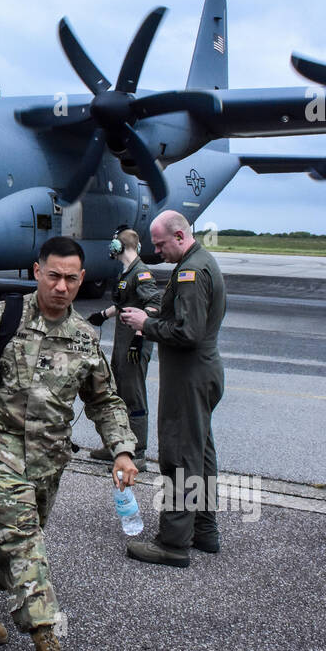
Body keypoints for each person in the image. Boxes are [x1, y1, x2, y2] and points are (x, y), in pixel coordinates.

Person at [0, 236, 137, 651]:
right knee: (26, 542)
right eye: (53, 276)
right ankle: (50, 650)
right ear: (36, 272)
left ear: (82, 279)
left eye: (70, 278)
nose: (61, 287)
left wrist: (121, 450)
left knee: (10, 539)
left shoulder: (84, 339)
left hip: (49, 461)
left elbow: (104, 401)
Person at [120, 210, 226, 568]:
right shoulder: (200, 262)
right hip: (199, 373)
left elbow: (188, 333)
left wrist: (145, 323)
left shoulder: (191, 272)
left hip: (188, 376)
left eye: (161, 243)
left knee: (179, 455)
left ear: (180, 236)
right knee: (201, 454)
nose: (156, 250)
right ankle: (204, 529)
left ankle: (173, 542)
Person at [84, 227, 160, 468]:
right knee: (118, 393)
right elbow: (124, 303)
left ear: (118, 247)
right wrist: (102, 315)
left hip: (135, 343)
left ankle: (138, 452)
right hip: (122, 341)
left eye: (113, 245)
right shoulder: (127, 273)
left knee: (134, 394)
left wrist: (140, 335)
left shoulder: (142, 273)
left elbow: (154, 304)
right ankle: (117, 445)